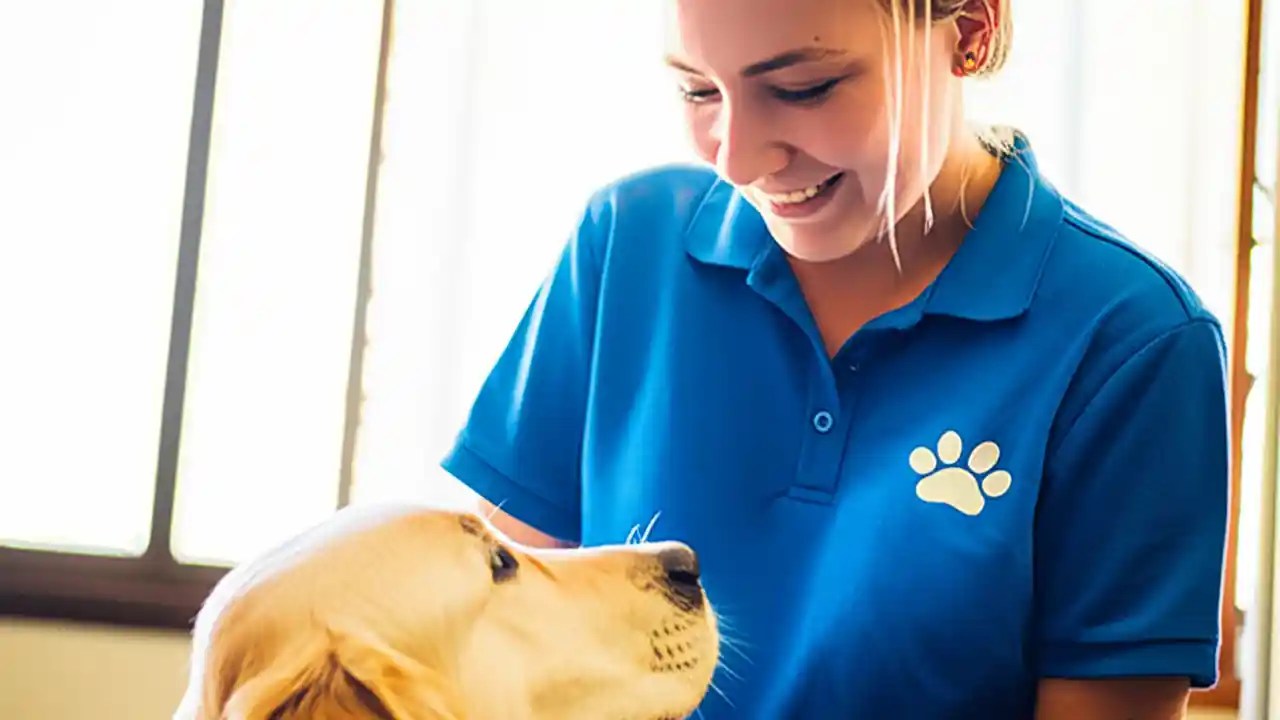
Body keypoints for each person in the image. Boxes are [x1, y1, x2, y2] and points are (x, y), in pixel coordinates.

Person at [440, 0, 1231, 717]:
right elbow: (493, 646)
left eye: (804, 88)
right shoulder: (623, 246)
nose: (738, 160)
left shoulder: (1134, 346)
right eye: (698, 92)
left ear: (971, 30)